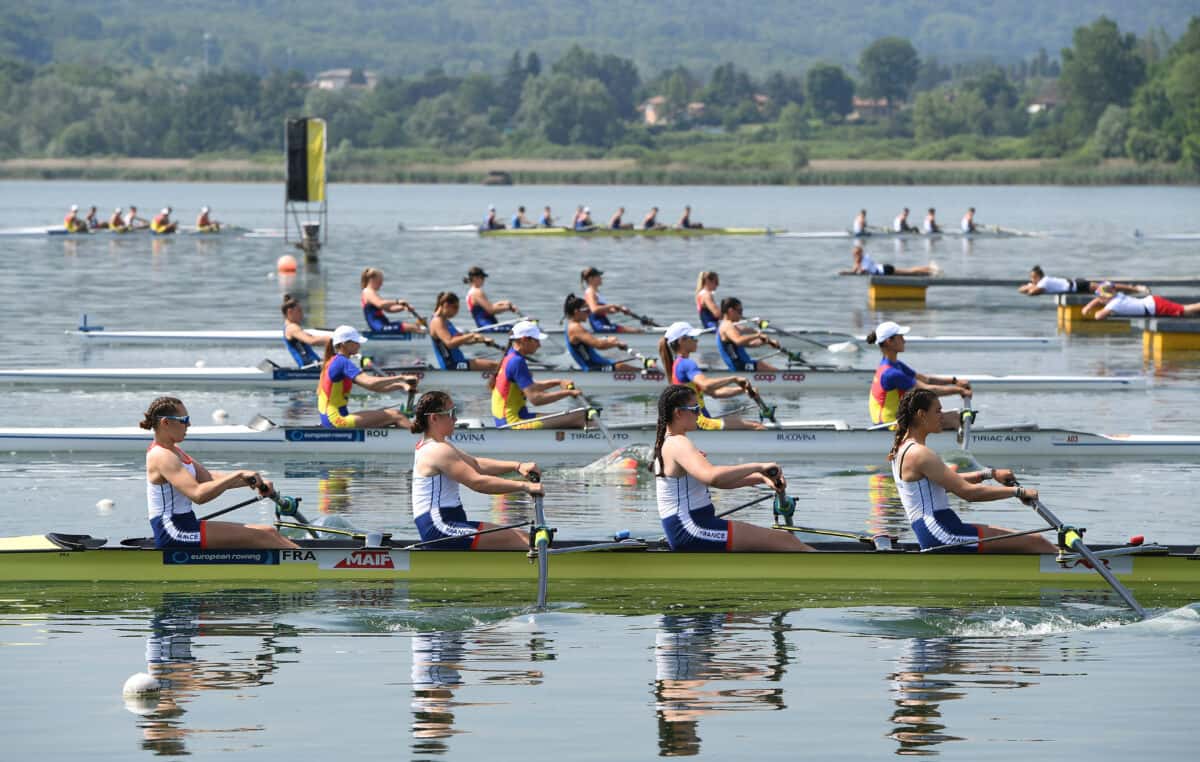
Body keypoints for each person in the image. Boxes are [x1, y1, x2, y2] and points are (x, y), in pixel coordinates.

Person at [888, 389, 1056, 553]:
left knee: (1026, 539)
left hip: (938, 530)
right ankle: (1076, 569)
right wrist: (1018, 491)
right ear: (921, 414)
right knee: (1036, 542)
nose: (943, 416)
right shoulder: (920, 453)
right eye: (938, 411)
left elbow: (946, 482)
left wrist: (989, 474)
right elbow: (969, 494)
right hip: (942, 533)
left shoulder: (903, 449)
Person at [652, 384, 811, 551]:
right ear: (678, 413)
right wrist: (758, 466)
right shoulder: (678, 443)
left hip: (691, 527)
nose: (699, 413)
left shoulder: (671, 442)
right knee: (788, 541)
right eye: (695, 408)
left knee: (782, 541)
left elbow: (719, 482)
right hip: (691, 528)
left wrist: (761, 477)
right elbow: (712, 476)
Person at [141, 396, 299, 549]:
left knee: (268, 531)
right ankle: (312, 564)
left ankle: (305, 561)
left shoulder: (175, 451)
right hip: (173, 531)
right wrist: (237, 474)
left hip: (186, 524)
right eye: (184, 420)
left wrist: (252, 480)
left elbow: (208, 478)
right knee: (263, 537)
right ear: (166, 423)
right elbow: (198, 494)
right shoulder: (161, 456)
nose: (189, 424)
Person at [411, 390, 541, 550]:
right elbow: (477, 483)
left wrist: (518, 466)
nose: (456, 418)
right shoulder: (437, 450)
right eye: (451, 413)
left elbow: (476, 464)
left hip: (448, 524)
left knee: (524, 538)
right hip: (440, 528)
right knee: (524, 541)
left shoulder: (440, 446)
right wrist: (525, 487)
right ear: (434, 418)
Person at [659, 322, 765, 431]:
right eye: (693, 337)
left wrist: (743, 389)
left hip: (697, 422)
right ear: (682, 341)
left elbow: (714, 393)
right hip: (701, 423)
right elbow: (707, 384)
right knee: (755, 426)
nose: (697, 340)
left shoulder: (677, 363)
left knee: (747, 424)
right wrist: (734, 379)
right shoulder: (686, 364)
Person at [866, 320, 971, 426]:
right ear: (889, 341)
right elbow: (927, 390)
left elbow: (925, 379)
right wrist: (959, 390)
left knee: (952, 416)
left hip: (894, 421)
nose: (904, 341)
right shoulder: (891, 373)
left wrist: (955, 381)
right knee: (954, 418)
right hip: (889, 426)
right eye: (901, 337)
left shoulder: (894, 365)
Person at [491, 320, 586, 429]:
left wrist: (558, 382)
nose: (539, 345)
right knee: (580, 416)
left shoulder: (510, 356)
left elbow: (531, 387)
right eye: (537, 341)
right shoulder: (516, 361)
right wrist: (568, 393)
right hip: (513, 424)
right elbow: (536, 399)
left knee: (576, 416)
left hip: (515, 419)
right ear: (524, 340)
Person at [317, 325, 415, 429]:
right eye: (356, 342)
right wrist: (401, 377)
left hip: (332, 419)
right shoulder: (342, 362)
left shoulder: (332, 361)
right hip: (336, 421)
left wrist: (400, 386)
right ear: (344, 344)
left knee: (388, 417)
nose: (359, 345)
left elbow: (373, 387)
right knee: (397, 415)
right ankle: (426, 441)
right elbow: (369, 382)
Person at [563, 294, 641, 371]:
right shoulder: (575, 328)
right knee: (622, 367)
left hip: (599, 363)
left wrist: (607, 339)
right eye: (586, 310)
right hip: (593, 368)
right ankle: (648, 375)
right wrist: (616, 344)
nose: (589, 312)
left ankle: (646, 372)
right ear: (576, 311)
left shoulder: (571, 325)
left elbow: (590, 341)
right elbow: (599, 345)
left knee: (622, 363)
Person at [429, 291, 500, 371]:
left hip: (459, 362)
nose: (457, 312)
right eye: (455, 307)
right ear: (446, 305)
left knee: (495, 364)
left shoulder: (445, 321)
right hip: (452, 365)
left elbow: (461, 340)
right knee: (494, 365)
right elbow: (450, 343)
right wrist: (471, 335)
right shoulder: (437, 321)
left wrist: (479, 340)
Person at [716, 297, 778, 372]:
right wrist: (758, 335)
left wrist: (767, 342)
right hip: (741, 366)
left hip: (743, 364)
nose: (741, 314)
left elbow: (750, 343)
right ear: (731, 311)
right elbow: (739, 340)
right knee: (766, 368)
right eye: (739, 311)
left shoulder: (731, 326)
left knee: (761, 364)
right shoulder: (727, 326)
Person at [1083, 283, 1200, 320]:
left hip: (1155, 306)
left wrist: (1092, 310)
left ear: (1105, 298)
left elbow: (1099, 316)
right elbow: (1100, 299)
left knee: (1186, 309)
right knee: (1185, 312)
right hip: (1152, 303)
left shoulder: (1115, 304)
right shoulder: (1117, 295)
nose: (1099, 300)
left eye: (1101, 298)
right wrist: (1088, 306)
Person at [581, 267, 644, 334]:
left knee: (636, 330)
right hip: (600, 326)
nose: (601, 278)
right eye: (598, 276)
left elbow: (603, 310)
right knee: (637, 331)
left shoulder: (595, 292)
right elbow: (594, 309)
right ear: (591, 278)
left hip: (605, 324)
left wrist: (619, 309)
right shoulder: (590, 292)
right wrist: (612, 305)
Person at [361, 267, 424, 334]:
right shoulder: (367, 292)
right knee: (414, 328)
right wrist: (397, 301)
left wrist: (404, 307)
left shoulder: (372, 293)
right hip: (380, 327)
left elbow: (389, 309)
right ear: (372, 280)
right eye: (380, 281)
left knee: (415, 327)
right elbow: (380, 304)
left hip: (385, 325)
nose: (381, 284)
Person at [1018, 266, 1143, 297]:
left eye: (1033, 277)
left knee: (1107, 287)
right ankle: (1132, 290)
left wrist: (1029, 287)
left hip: (1078, 285)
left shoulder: (1043, 282)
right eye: (1031, 278)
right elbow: (1021, 290)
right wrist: (1029, 286)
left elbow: (1031, 294)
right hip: (1076, 286)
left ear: (1039, 276)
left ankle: (1135, 289)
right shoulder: (1041, 283)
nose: (1031, 280)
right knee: (1108, 291)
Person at [464, 265, 519, 329]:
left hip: (486, 326)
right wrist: (509, 307)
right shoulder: (477, 292)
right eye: (482, 277)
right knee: (517, 329)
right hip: (488, 327)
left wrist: (502, 303)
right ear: (475, 278)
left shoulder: (471, 292)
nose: (483, 280)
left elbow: (486, 308)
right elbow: (491, 310)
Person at [282, 294, 329, 368]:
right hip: (310, 368)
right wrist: (334, 339)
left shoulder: (291, 328)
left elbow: (313, 337)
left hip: (314, 365)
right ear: (290, 312)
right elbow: (311, 341)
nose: (302, 314)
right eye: (299, 311)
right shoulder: (292, 328)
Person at [843, 246, 939, 276]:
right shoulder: (860, 261)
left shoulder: (865, 260)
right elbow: (855, 271)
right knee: (909, 272)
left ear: (860, 253)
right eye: (853, 254)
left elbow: (862, 271)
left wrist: (856, 271)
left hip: (885, 270)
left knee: (909, 271)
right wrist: (845, 272)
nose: (854, 256)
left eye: (855, 254)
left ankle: (931, 269)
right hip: (883, 269)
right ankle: (929, 270)